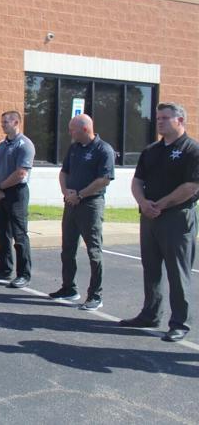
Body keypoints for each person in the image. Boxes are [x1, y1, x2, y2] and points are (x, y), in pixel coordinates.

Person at [121, 102, 199, 342]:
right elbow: (137, 181)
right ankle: (150, 314)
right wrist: (143, 203)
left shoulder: (192, 150)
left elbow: (192, 186)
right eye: (158, 118)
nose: (160, 122)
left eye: (165, 118)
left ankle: (179, 323)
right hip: (150, 216)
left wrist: (161, 204)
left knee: (178, 272)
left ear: (180, 121)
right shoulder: (151, 150)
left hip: (176, 218)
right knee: (151, 268)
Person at [50, 114, 114, 311]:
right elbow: (64, 172)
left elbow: (104, 179)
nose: (70, 133)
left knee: (94, 251)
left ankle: (95, 295)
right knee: (67, 248)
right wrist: (66, 192)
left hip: (91, 205)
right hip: (71, 203)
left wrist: (81, 194)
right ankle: (68, 288)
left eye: (73, 130)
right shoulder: (74, 148)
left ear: (85, 129)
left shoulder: (104, 150)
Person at [0, 111, 35, 288]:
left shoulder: (25, 145)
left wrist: (1, 188)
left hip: (16, 194)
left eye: (6, 122)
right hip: (1, 193)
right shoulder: (1, 146)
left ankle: (23, 274)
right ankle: (4, 268)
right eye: (2, 121)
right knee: (2, 232)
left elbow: (21, 173)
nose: (3, 124)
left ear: (16, 122)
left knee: (19, 235)